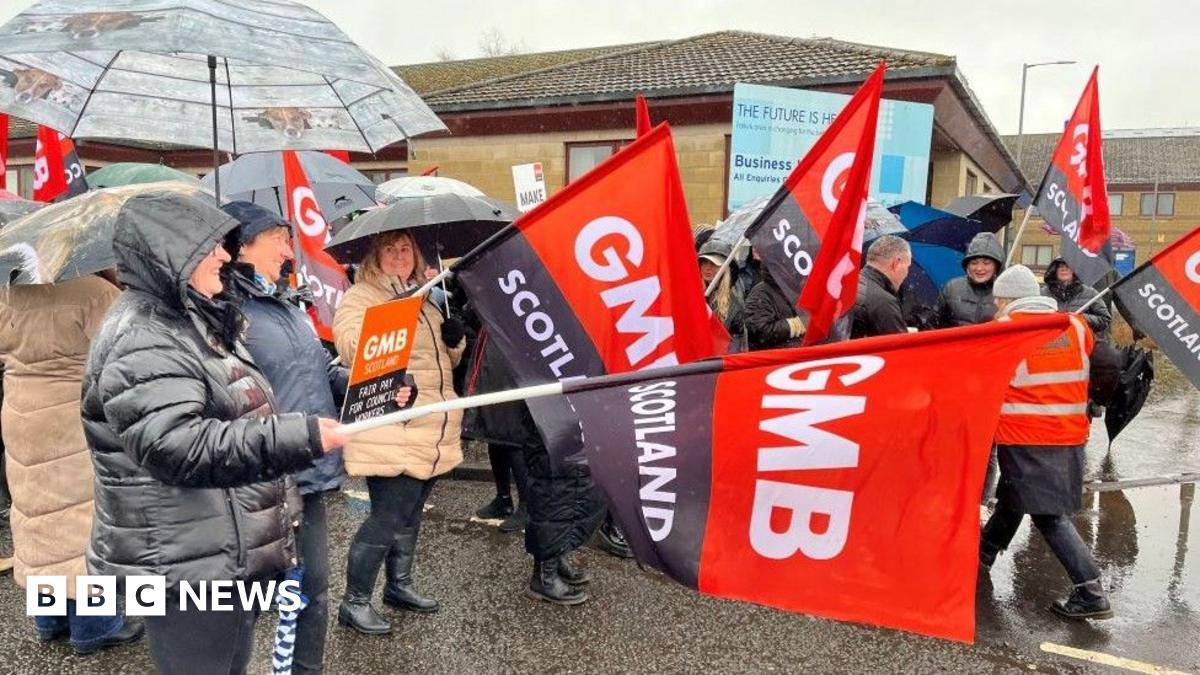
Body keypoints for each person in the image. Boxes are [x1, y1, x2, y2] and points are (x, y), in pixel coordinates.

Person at [82, 190, 349, 674]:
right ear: (169, 252)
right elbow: (176, 445)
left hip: (213, 551)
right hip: (183, 563)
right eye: (210, 247)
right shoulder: (145, 334)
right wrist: (299, 437)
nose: (225, 257)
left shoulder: (190, 319)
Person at [218, 201, 349, 675]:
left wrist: (365, 383)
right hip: (256, 483)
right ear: (241, 247)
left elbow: (320, 371)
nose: (288, 250)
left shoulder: (289, 307)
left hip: (308, 474)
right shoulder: (224, 312)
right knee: (245, 603)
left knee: (313, 592)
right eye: (277, 238)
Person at [0, 271, 142, 655]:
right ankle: (96, 624)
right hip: (72, 416)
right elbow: (126, 353)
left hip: (21, 412)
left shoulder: (9, 293)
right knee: (84, 515)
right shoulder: (95, 292)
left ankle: (49, 618)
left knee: (37, 512)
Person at [332, 229, 465, 635]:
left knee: (410, 514)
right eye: (389, 249)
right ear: (374, 257)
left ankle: (399, 585)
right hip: (393, 426)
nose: (398, 256)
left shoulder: (426, 299)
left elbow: (443, 362)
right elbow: (349, 348)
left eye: (405, 248)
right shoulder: (362, 296)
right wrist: (392, 320)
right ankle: (354, 601)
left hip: (430, 425)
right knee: (387, 517)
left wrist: (455, 341)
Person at [979, 264, 1112, 620]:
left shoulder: (1005, 329)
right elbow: (1102, 365)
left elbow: (984, 380)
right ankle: (982, 555)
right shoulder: (1076, 326)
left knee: (1048, 515)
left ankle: (1090, 591)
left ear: (1009, 299)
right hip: (1070, 433)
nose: (996, 306)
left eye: (998, 300)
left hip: (1025, 435)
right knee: (1015, 495)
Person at [935, 232, 1004, 328]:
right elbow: (934, 324)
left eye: (986, 263)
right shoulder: (952, 288)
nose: (979, 268)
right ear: (967, 265)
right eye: (974, 263)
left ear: (996, 266)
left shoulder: (1005, 293)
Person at [851, 235, 912, 338]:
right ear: (896, 264)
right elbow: (899, 346)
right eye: (908, 267)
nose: (907, 274)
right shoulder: (884, 303)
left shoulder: (846, 286)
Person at [1043, 257, 1111, 337]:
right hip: (1050, 340)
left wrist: (1082, 318)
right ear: (1054, 270)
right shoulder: (1043, 293)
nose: (1064, 269)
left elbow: (1105, 320)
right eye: (1060, 266)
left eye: (1068, 266)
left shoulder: (1090, 293)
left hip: (1081, 340)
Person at [698, 239, 747, 351]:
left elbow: (735, 346)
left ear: (725, 269)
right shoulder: (690, 296)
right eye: (704, 262)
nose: (707, 268)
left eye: (714, 264)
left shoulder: (734, 305)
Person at [743, 265, 805, 350]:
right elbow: (759, 331)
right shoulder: (761, 293)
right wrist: (795, 325)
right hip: (773, 355)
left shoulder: (794, 290)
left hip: (795, 352)